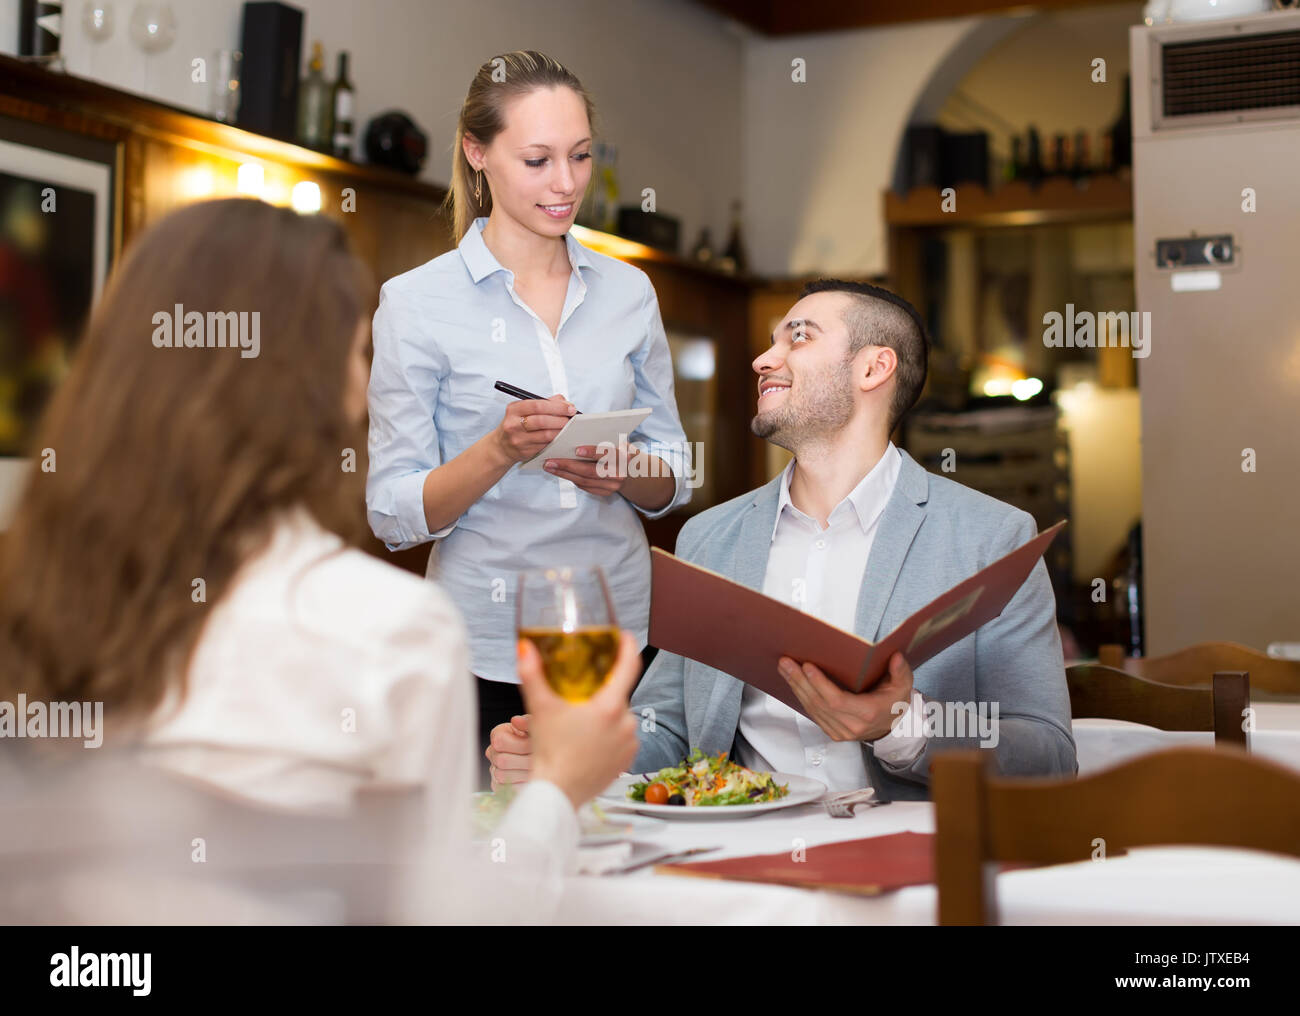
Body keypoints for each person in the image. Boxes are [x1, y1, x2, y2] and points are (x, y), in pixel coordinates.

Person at [0, 198, 640, 922]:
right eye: (358, 353)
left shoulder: (34, 596)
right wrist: (558, 785)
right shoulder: (391, 634)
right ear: (323, 384)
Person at [486, 279, 1077, 801]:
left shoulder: (992, 538)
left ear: (874, 368)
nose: (763, 360)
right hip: (735, 866)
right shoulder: (709, 538)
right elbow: (667, 730)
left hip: (914, 875)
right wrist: (573, 759)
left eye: (798, 337)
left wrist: (899, 724)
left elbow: (1048, 757)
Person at [365, 51, 691, 788]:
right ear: (477, 154)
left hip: (618, 638)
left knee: (618, 851)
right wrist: (499, 449)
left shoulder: (630, 293)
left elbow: (677, 472)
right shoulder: (416, 303)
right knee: (495, 865)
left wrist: (626, 470)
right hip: (482, 644)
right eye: (538, 160)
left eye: (580, 156)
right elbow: (391, 513)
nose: (567, 183)